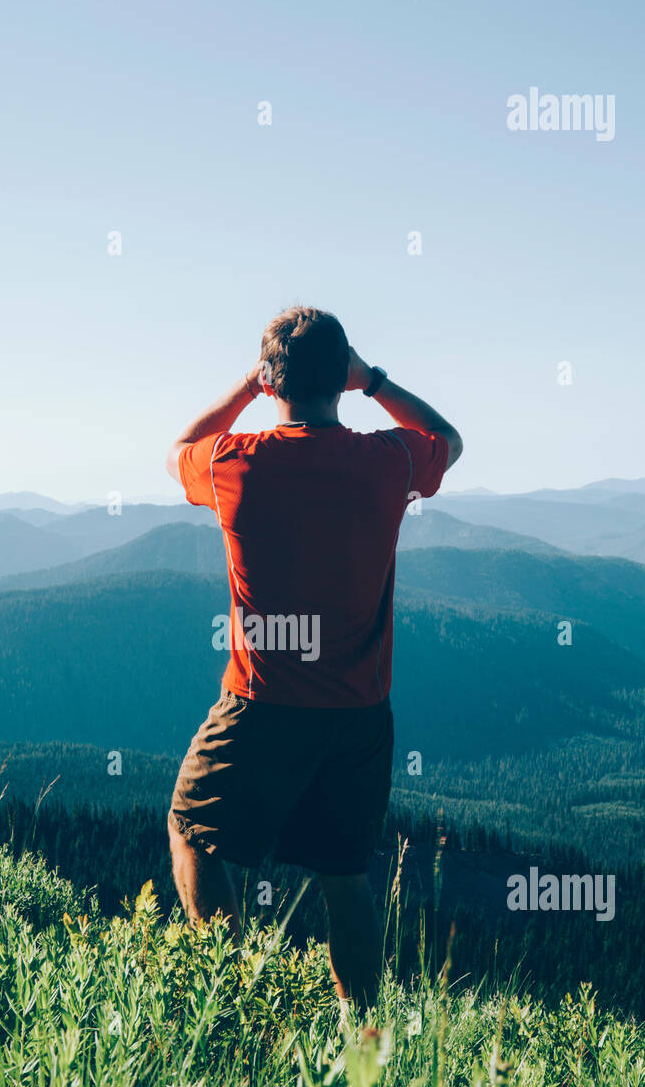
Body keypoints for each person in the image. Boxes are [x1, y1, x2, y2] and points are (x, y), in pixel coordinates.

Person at [165, 306, 462, 1009]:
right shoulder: (386, 463)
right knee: (344, 876)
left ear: (275, 380)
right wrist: (376, 381)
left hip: (260, 704)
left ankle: (230, 994)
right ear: (343, 375)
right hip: (359, 712)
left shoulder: (237, 463)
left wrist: (247, 387)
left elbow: (183, 443)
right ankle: (363, 1041)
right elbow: (445, 438)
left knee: (192, 828)